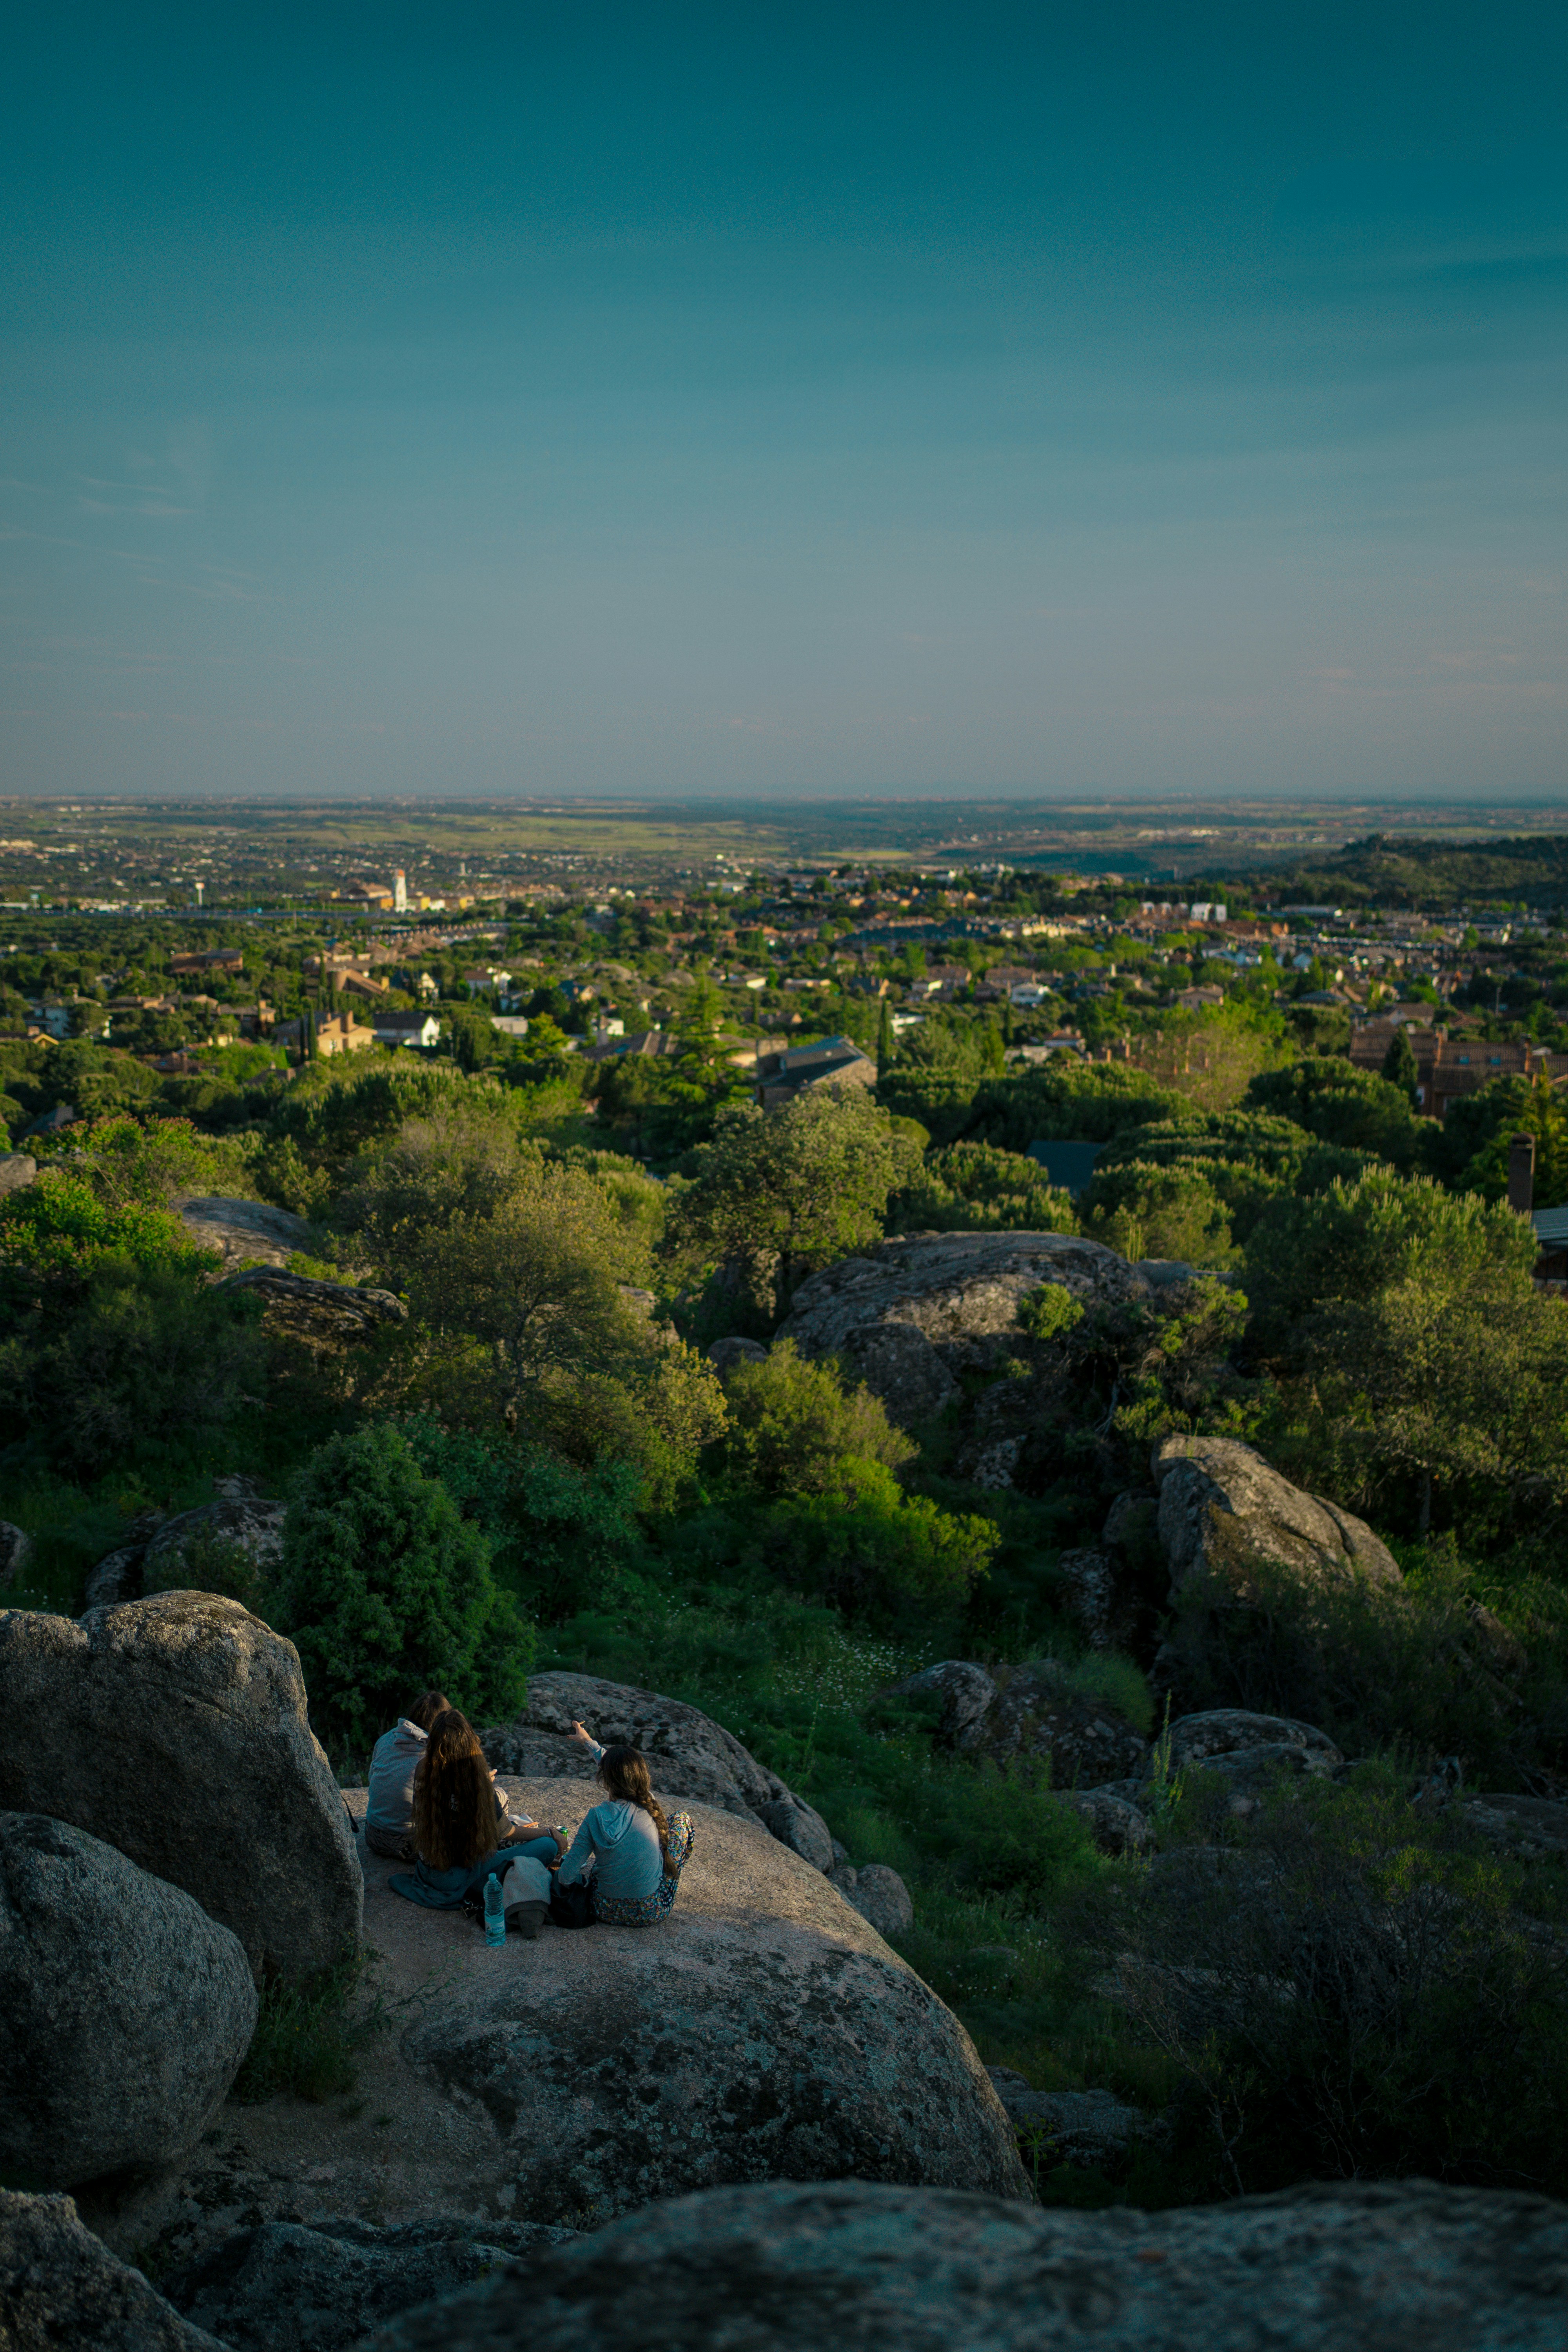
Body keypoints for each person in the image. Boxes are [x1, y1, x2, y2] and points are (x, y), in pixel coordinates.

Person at [389, 1708, 563, 1922]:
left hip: (429, 1871)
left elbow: (446, 1801)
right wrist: (548, 1832)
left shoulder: (422, 1769)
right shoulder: (475, 1787)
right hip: (461, 1876)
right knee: (548, 1847)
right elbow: (506, 1832)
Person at [365, 1690, 534, 1862]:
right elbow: (462, 1800)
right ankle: (494, 1842)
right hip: (414, 1843)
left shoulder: (386, 1740)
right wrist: (482, 1782)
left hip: (373, 1835)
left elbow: (373, 1780)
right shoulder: (436, 1756)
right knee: (498, 1795)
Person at [555, 1720, 694, 1928]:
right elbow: (620, 1773)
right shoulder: (649, 1802)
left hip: (604, 1909)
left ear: (604, 1779)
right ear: (642, 1776)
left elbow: (566, 1878)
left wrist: (588, 1742)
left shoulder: (596, 1816)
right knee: (682, 1820)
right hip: (653, 1911)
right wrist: (588, 1742)